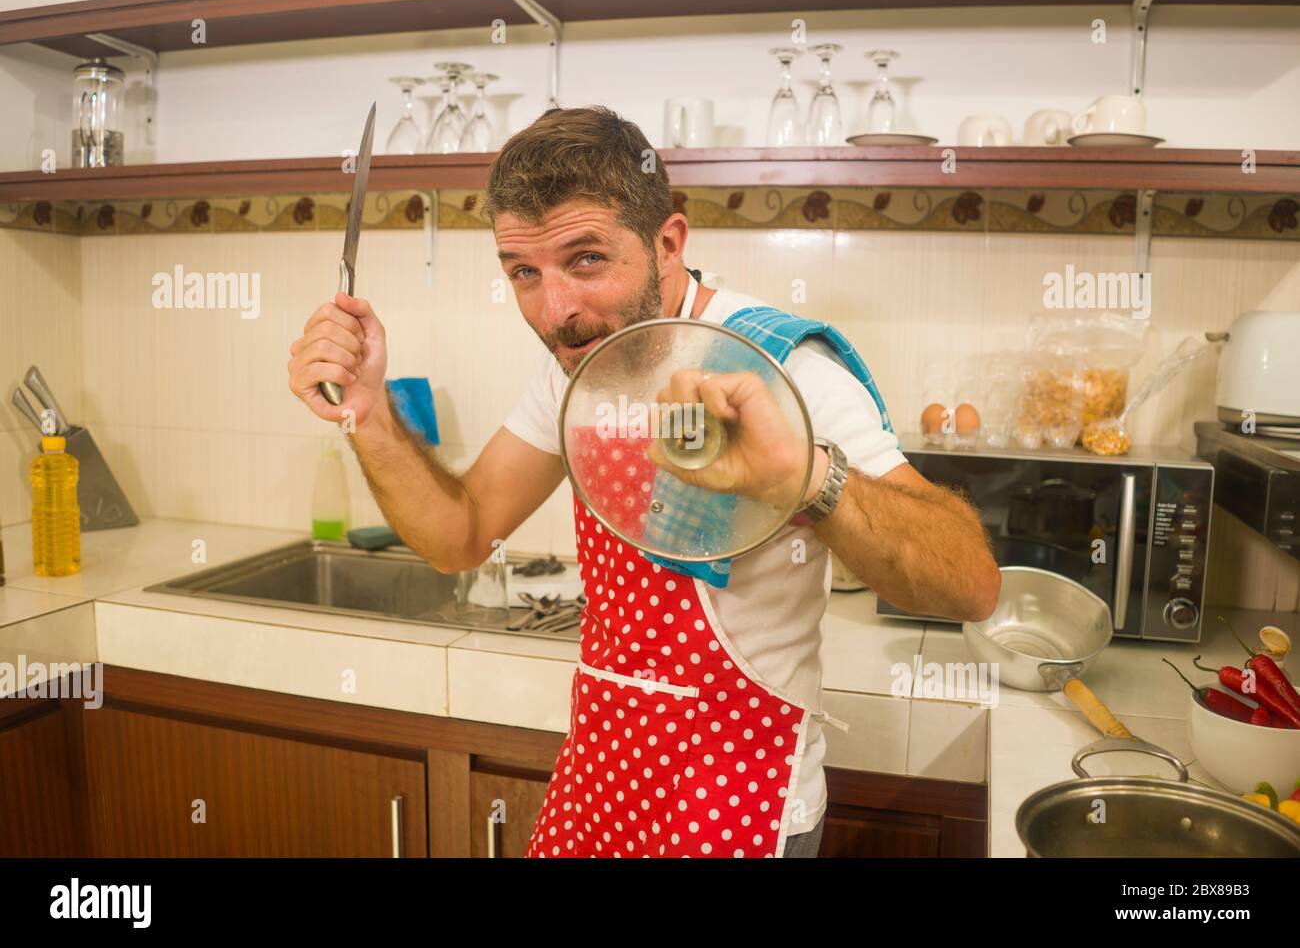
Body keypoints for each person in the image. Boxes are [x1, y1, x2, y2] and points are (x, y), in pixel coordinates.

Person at [288, 105, 1000, 859]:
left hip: (737, 801)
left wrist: (807, 476)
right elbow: (458, 534)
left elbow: (970, 581)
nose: (555, 310)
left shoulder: (782, 366)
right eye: (524, 273)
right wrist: (368, 411)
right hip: (599, 786)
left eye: (586, 259)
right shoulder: (572, 365)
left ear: (669, 244)